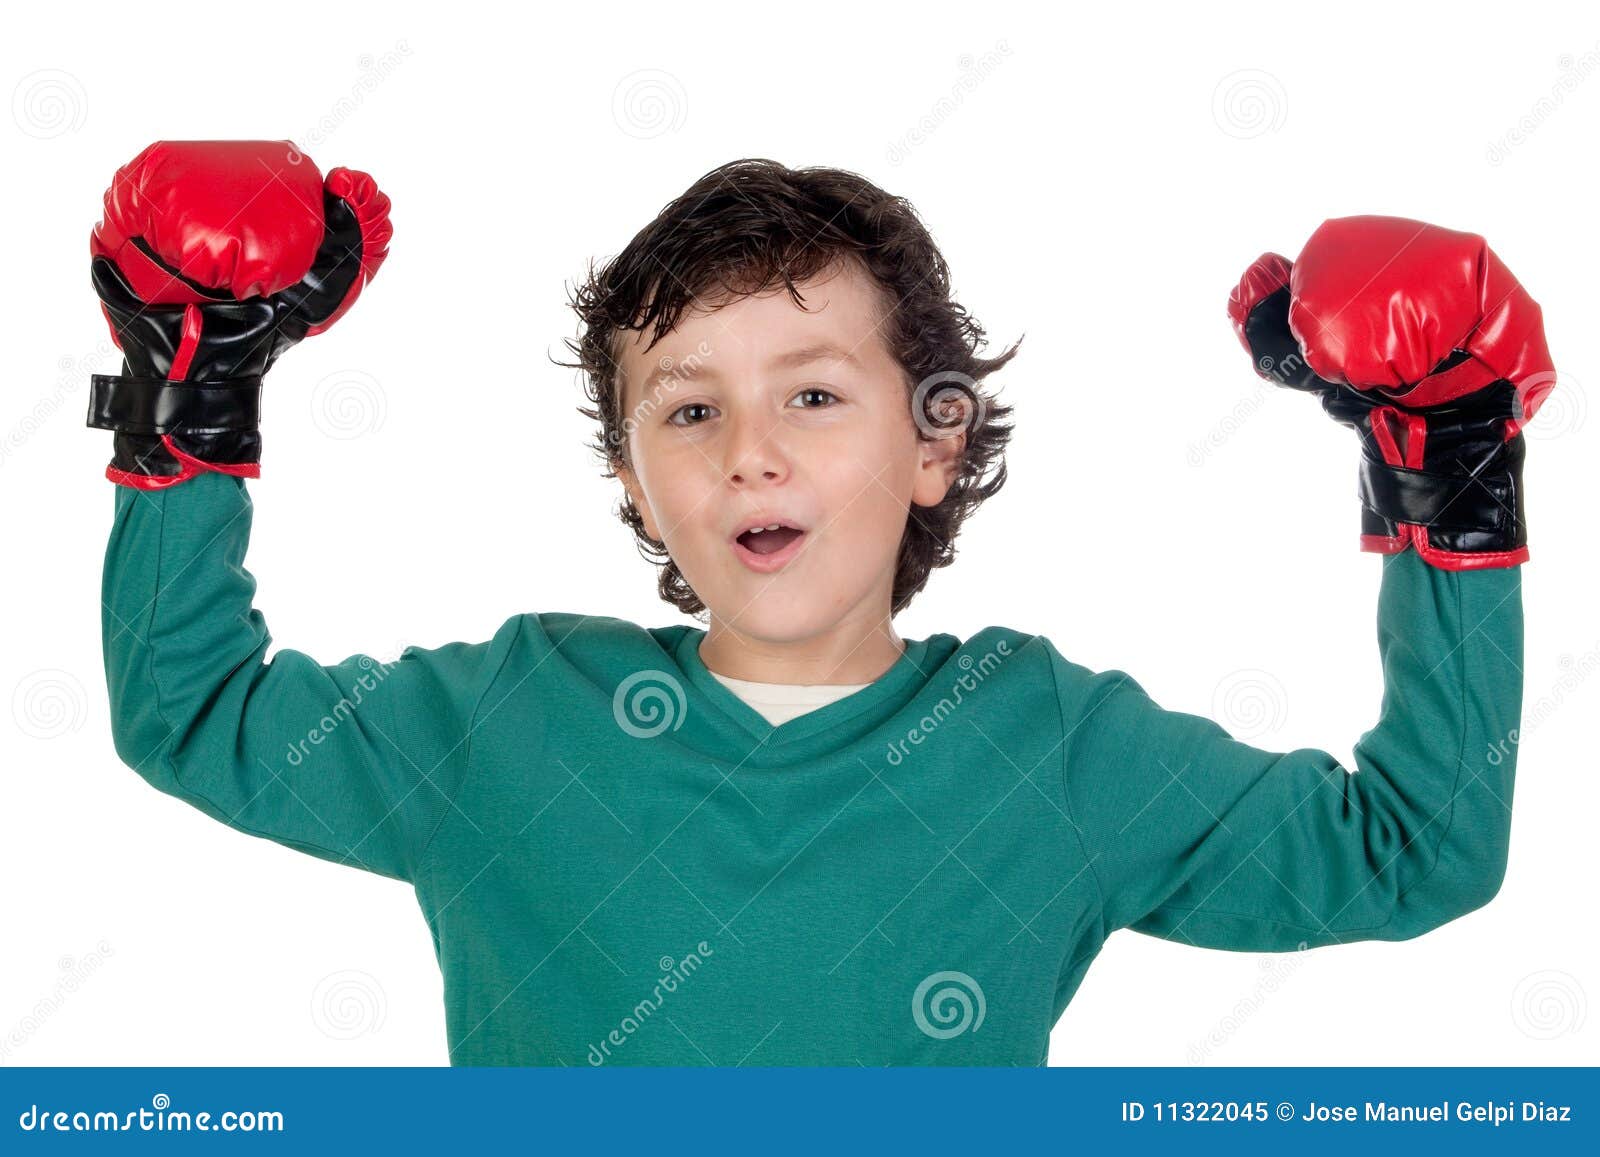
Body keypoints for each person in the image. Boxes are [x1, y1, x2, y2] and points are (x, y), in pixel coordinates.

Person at [88, 140, 1544, 1066]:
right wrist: (188, 396)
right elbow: (191, 708)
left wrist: (1455, 484)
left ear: (936, 439)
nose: (752, 450)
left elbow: (1417, 850)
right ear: (633, 475)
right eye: (687, 410)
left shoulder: (1048, 739)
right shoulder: (509, 718)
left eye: (813, 393)